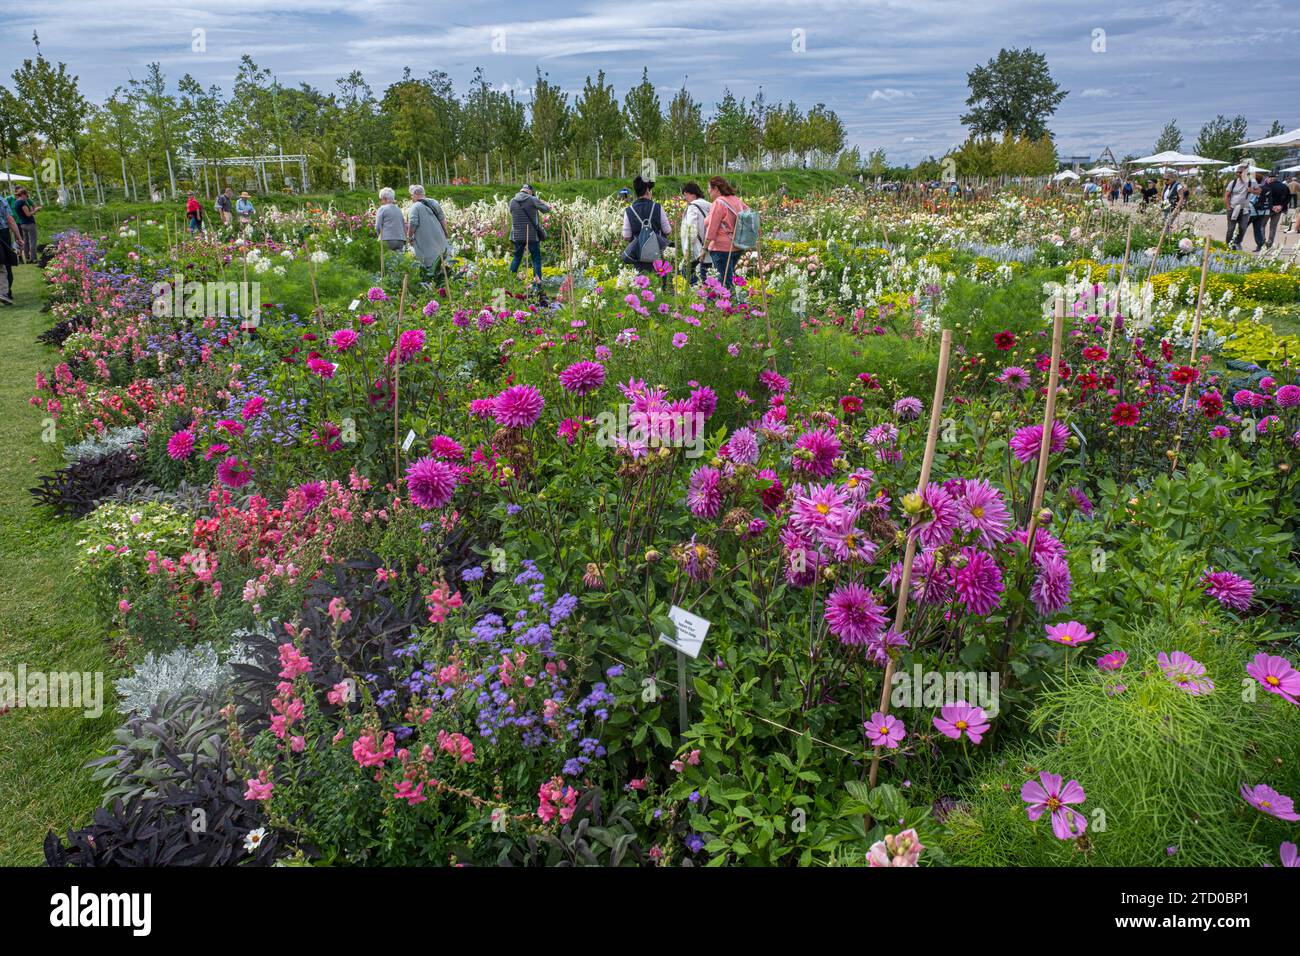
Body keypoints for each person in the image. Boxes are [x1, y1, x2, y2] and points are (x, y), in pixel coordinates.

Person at [620, 175, 672, 287]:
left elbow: (626, 236)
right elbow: (667, 230)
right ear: (648, 190)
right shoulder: (657, 207)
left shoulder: (629, 210)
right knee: (660, 284)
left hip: (639, 256)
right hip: (657, 254)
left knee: (642, 285)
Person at [703, 176, 748, 290]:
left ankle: (730, 305)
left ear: (716, 189)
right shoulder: (736, 199)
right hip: (737, 246)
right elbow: (749, 214)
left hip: (721, 248)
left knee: (725, 282)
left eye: (709, 188)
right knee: (725, 278)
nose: (708, 191)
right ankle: (714, 302)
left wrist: (704, 249)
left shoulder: (719, 202)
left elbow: (712, 228)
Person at [508, 183, 550, 288]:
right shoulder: (532, 199)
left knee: (517, 257)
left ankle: (509, 281)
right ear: (530, 191)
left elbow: (512, 213)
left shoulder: (512, 201)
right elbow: (546, 209)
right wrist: (542, 203)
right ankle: (537, 284)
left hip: (517, 235)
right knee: (535, 259)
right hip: (531, 235)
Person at [406, 184, 448, 274]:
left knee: (429, 263)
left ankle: (432, 282)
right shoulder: (434, 202)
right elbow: (442, 219)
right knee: (441, 259)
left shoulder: (415, 206)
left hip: (425, 238)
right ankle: (444, 280)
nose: (411, 197)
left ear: (415, 194)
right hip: (439, 235)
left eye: (411, 195)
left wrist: (409, 237)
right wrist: (445, 232)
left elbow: (412, 223)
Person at [679, 182, 712, 286]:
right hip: (710, 246)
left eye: (686, 195)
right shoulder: (710, 206)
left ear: (692, 194)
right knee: (707, 275)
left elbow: (691, 229)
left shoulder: (693, 207)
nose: (685, 198)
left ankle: (698, 288)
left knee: (684, 270)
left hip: (697, 248)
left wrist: (688, 249)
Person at [1257, 174, 1289, 248]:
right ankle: (1270, 242)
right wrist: (1281, 206)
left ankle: (1262, 241)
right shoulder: (1284, 186)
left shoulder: (1266, 187)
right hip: (1279, 209)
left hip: (1267, 209)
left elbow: (1263, 199)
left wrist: (1272, 206)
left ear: (1270, 179)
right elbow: (1288, 198)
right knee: (1273, 227)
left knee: (1262, 225)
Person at [375, 187, 406, 253]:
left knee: (384, 259)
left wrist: (379, 237)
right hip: (400, 240)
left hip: (387, 239)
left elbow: (378, 226)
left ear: (385, 199)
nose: (381, 202)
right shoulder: (398, 210)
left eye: (381, 199)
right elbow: (403, 225)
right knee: (398, 261)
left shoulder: (382, 209)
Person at [14, 187, 39, 263]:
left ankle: (27, 258)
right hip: (29, 224)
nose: (27, 197)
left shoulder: (16, 202)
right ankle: (33, 258)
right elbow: (28, 214)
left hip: (22, 224)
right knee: (33, 241)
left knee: (26, 241)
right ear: (23, 194)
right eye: (26, 195)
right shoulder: (22, 202)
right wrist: (35, 210)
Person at [0, 198, 18, 304]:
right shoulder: (2, 200)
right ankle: (5, 293)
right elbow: (10, 220)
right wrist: (18, 237)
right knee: (5, 263)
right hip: (3, 233)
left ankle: (5, 293)